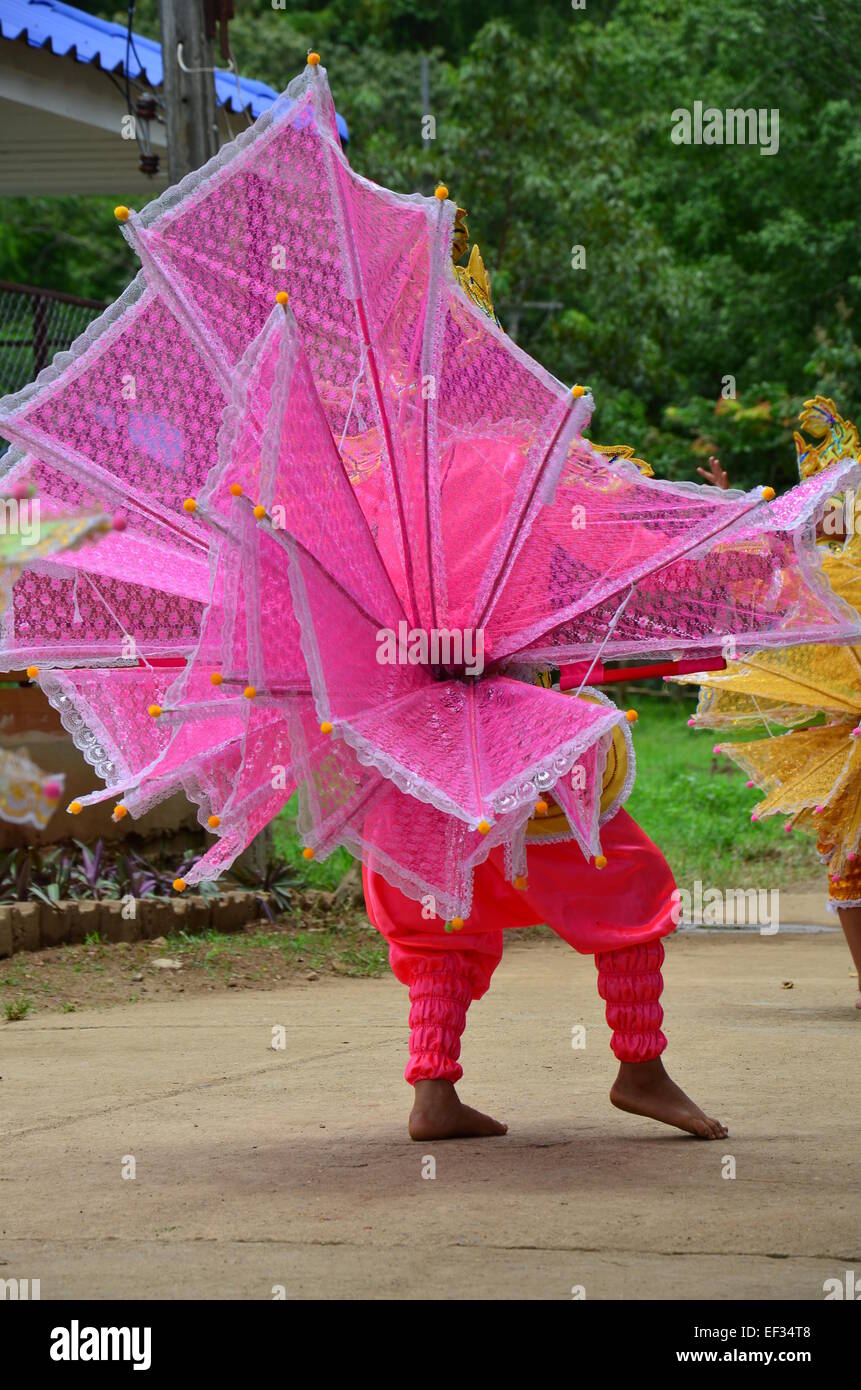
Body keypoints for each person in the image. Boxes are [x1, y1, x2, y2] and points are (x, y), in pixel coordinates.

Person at [361, 210, 729, 1142]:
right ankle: (638, 1069)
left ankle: (432, 1094)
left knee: (442, 909)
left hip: (403, 734)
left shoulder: (369, 471)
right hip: (500, 726)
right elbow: (615, 559)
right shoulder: (521, 466)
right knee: (629, 883)